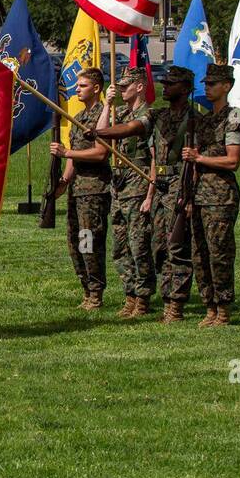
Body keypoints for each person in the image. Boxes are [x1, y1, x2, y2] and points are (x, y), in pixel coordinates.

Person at [91, 66, 196, 324]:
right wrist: (102, 130)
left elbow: (133, 130)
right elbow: (135, 126)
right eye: (164, 82)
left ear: (184, 88)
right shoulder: (158, 114)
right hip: (159, 185)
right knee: (158, 247)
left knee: (175, 246)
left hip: (178, 184)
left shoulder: (194, 119)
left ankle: (174, 305)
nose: (164, 87)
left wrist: (100, 133)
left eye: (171, 83)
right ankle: (150, 297)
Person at [182, 64, 240, 328]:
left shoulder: (234, 118)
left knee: (219, 253)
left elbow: (233, 161)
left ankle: (223, 308)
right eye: (206, 83)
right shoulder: (204, 120)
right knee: (199, 253)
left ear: (226, 86)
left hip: (221, 196)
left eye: (212, 84)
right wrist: (187, 196)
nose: (206, 88)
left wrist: (200, 157)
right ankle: (209, 306)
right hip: (199, 195)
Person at [50, 68, 111, 310]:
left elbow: (100, 152)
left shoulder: (102, 116)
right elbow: (72, 161)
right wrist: (63, 182)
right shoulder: (79, 118)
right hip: (77, 191)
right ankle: (85, 289)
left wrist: (67, 152)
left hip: (94, 191)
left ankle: (96, 292)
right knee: (75, 242)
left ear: (96, 88)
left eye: (83, 85)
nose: (77, 89)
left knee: (89, 242)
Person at [101, 67, 156, 318]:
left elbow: (131, 133)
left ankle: (143, 298)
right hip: (119, 185)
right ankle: (130, 295)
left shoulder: (148, 114)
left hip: (138, 184)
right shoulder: (119, 112)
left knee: (139, 245)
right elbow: (100, 138)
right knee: (120, 247)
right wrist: (106, 104)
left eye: (126, 86)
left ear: (140, 86)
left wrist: (150, 195)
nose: (122, 89)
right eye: (120, 86)